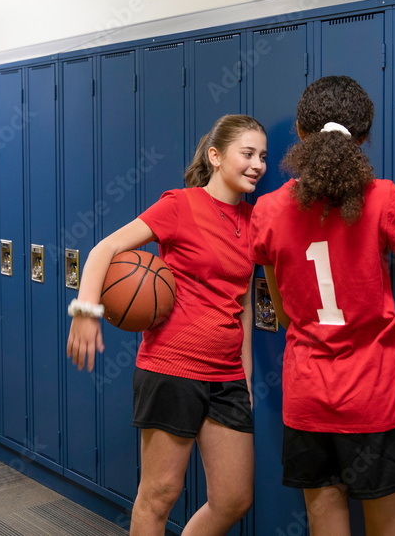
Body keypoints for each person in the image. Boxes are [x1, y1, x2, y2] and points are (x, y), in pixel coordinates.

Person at [248, 76, 395, 536]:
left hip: (308, 398)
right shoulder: (382, 198)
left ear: (299, 131)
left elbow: (282, 314)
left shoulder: (269, 211)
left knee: (324, 524)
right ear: (363, 138)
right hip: (374, 398)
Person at [67, 114, 267, 536]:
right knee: (159, 494)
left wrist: (245, 374)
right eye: (247, 154)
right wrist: (87, 312)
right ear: (215, 156)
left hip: (227, 375)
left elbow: (243, 303)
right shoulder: (180, 204)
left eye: (262, 156)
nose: (257, 165)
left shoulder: (253, 220)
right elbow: (106, 249)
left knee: (234, 498)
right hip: (171, 367)